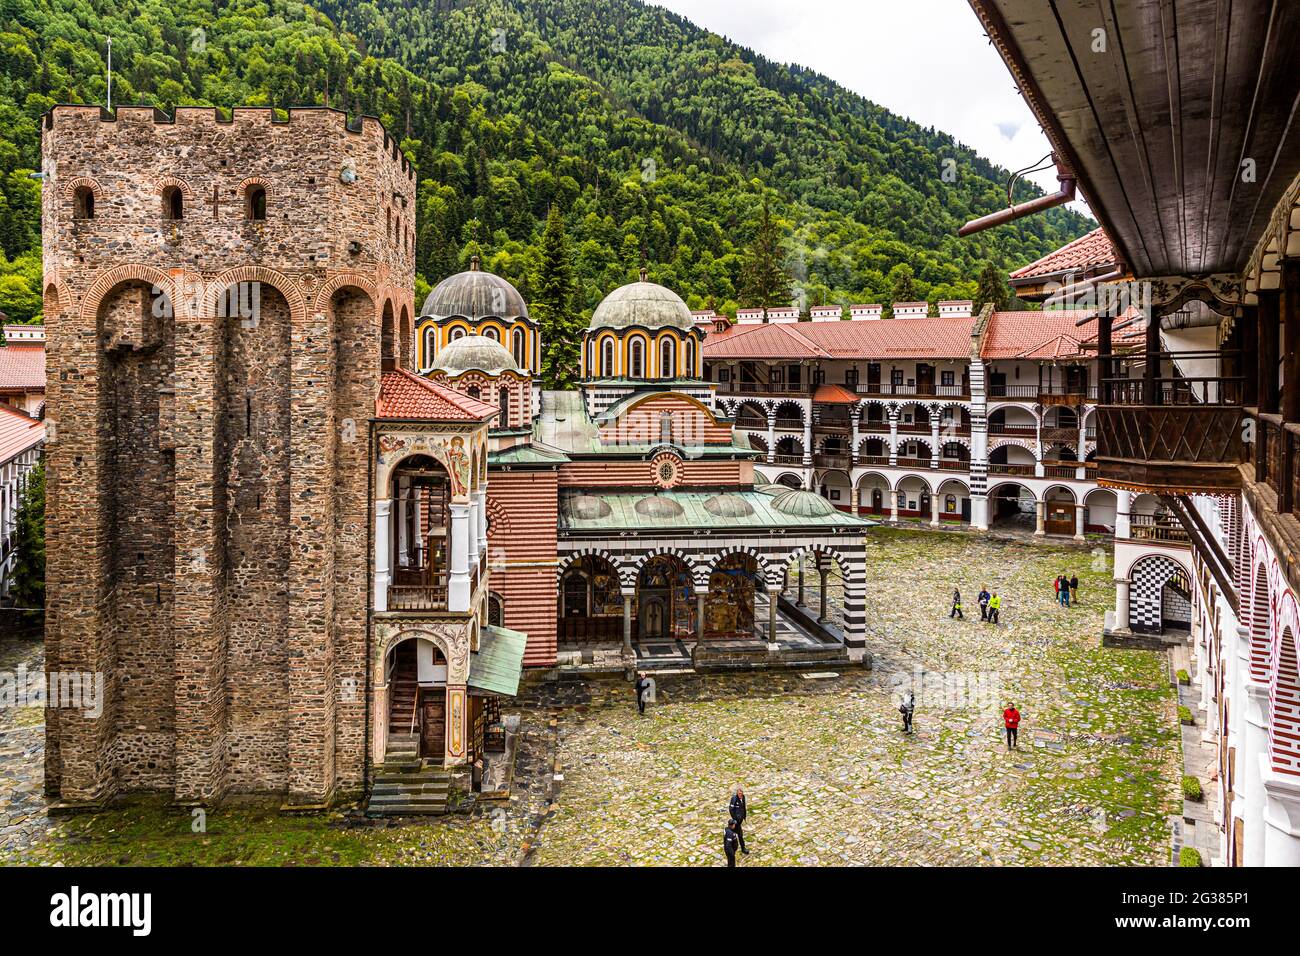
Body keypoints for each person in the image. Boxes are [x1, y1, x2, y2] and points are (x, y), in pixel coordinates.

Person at [729, 787, 750, 854]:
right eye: (739, 793)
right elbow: (731, 809)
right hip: (736, 821)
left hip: (740, 819)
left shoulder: (743, 797)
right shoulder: (734, 799)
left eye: (741, 793)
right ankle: (743, 848)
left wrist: (744, 816)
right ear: (737, 793)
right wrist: (735, 819)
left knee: (733, 834)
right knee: (739, 835)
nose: (740, 795)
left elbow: (743, 807)